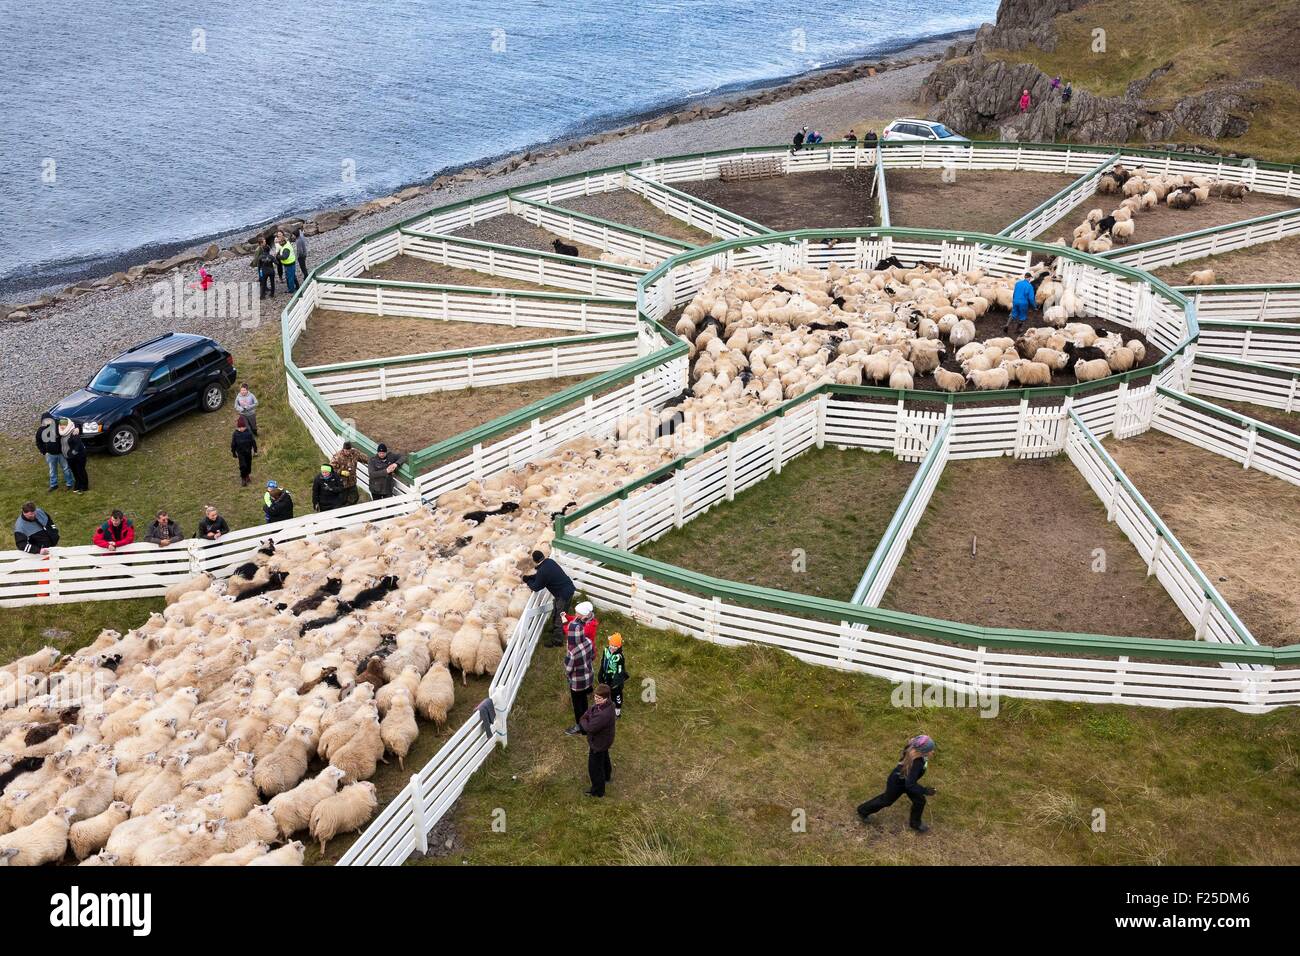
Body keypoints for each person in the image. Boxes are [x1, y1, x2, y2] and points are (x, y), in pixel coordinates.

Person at [857, 734, 937, 832]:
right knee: (886, 800)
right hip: (897, 783)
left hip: (909, 782)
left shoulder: (914, 748)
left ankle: (915, 824)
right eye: (931, 750)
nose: (933, 752)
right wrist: (924, 790)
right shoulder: (917, 763)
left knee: (920, 801)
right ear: (922, 752)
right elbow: (910, 785)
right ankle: (862, 810)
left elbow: (910, 783)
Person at [522, 549, 576, 648]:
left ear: (535, 560)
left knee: (560, 616)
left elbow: (536, 587)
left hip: (563, 594)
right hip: (568, 589)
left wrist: (528, 581)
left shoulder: (542, 571)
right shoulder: (550, 562)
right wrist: (530, 577)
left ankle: (557, 640)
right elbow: (541, 576)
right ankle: (557, 629)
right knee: (557, 610)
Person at [562, 608, 596, 736]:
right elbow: (592, 656)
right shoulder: (588, 641)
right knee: (584, 701)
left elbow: (568, 668)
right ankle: (587, 719)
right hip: (588, 677)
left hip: (577, 682)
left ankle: (581, 727)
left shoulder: (572, 651)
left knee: (578, 704)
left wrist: (568, 673)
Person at [579, 684, 616, 797]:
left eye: (599, 698)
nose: (596, 700)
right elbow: (590, 710)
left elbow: (589, 727)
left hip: (598, 743)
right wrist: (587, 716)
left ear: (606, 697)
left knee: (594, 768)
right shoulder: (607, 705)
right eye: (595, 697)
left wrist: (583, 719)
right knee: (604, 757)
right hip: (605, 741)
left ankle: (598, 791)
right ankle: (607, 777)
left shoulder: (602, 715)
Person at [36, 414, 72, 492]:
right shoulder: (41, 430)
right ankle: (53, 485)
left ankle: (69, 483)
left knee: (66, 468)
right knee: (52, 470)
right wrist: (44, 452)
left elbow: (69, 423)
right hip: (50, 454)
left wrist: (76, 429)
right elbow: (38, 442)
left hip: (62, 453)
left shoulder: (59, 424)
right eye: (45, 421)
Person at [597, 632, 629, 718]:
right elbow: (603, 661)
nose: (613, 648)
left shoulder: (619, 656)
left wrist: (615, 683)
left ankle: (617, 712)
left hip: (615, 680)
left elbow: (620, 671)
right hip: (606, 677)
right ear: (609, 643)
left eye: (616, 646)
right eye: (612, 645)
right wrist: (600, 674)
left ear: (619, 646)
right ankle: (606, 708)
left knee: (616, 695)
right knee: (606, 693)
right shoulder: (606, 650)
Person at [331, 441, 369, 506]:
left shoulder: (355, 453)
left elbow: (365, 458)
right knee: (342, 500)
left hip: (352, 482)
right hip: (342, 483)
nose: (348, 453)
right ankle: (343, 512)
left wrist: (375, 461)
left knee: (355, 498)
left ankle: (349, 509)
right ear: (343, 449)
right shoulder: (337, 457)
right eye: (346, 451)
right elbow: (331, 469)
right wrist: (341, 472)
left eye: (349, 451)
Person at [60, 419, 89, 493]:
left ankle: (84, 486)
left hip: (79, 456)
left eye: (64, 425)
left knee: (80, 470)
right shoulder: (62, 433)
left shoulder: (74, 432)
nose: (62, 426)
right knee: (74, 471)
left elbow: (78, 446)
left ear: (68, 425)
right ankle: (78, 484)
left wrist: (72, 453)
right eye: (61, 424)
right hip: (69, 457)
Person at [231, 416, 258, 486]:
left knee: (248, 465)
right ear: (238, 427)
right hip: (240, 453)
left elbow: (253, 442)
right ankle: (243, 478)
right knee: (243, 466)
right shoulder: (235, 434)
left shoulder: (249, 433)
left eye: (243, 427)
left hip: (248, 452)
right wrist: (233, 452)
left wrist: (255, 450)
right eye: (240, 427)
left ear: (245, 427)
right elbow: (233, 444)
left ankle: (247, 475)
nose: (241, 429)